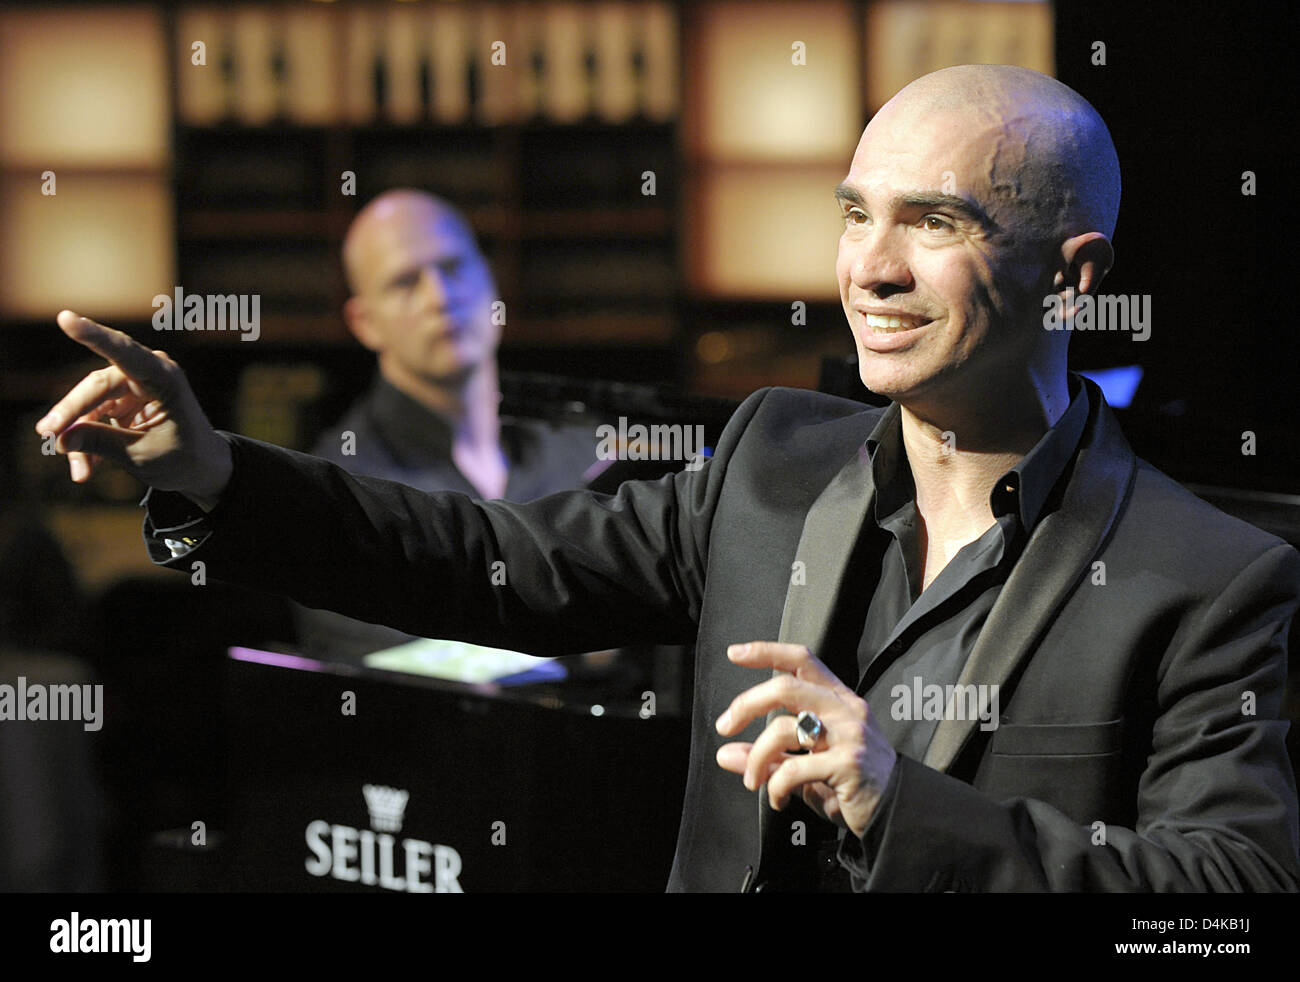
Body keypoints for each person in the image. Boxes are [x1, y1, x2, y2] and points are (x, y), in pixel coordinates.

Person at [37, 65, 1299, 891]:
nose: (871, 267)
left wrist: (899, 806)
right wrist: (207, 469)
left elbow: (1227, 897)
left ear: (1073, 276)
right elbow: (480, 561)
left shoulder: (1210, 577)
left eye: (936, 223)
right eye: (856, 213)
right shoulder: (770, 462)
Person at [294, 189, 600, 660]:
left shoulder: (586, 452)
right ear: (364, 322)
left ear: (491, 282)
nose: (439, 297)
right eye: (404, 283)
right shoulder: (340, 485)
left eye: (454, 268)